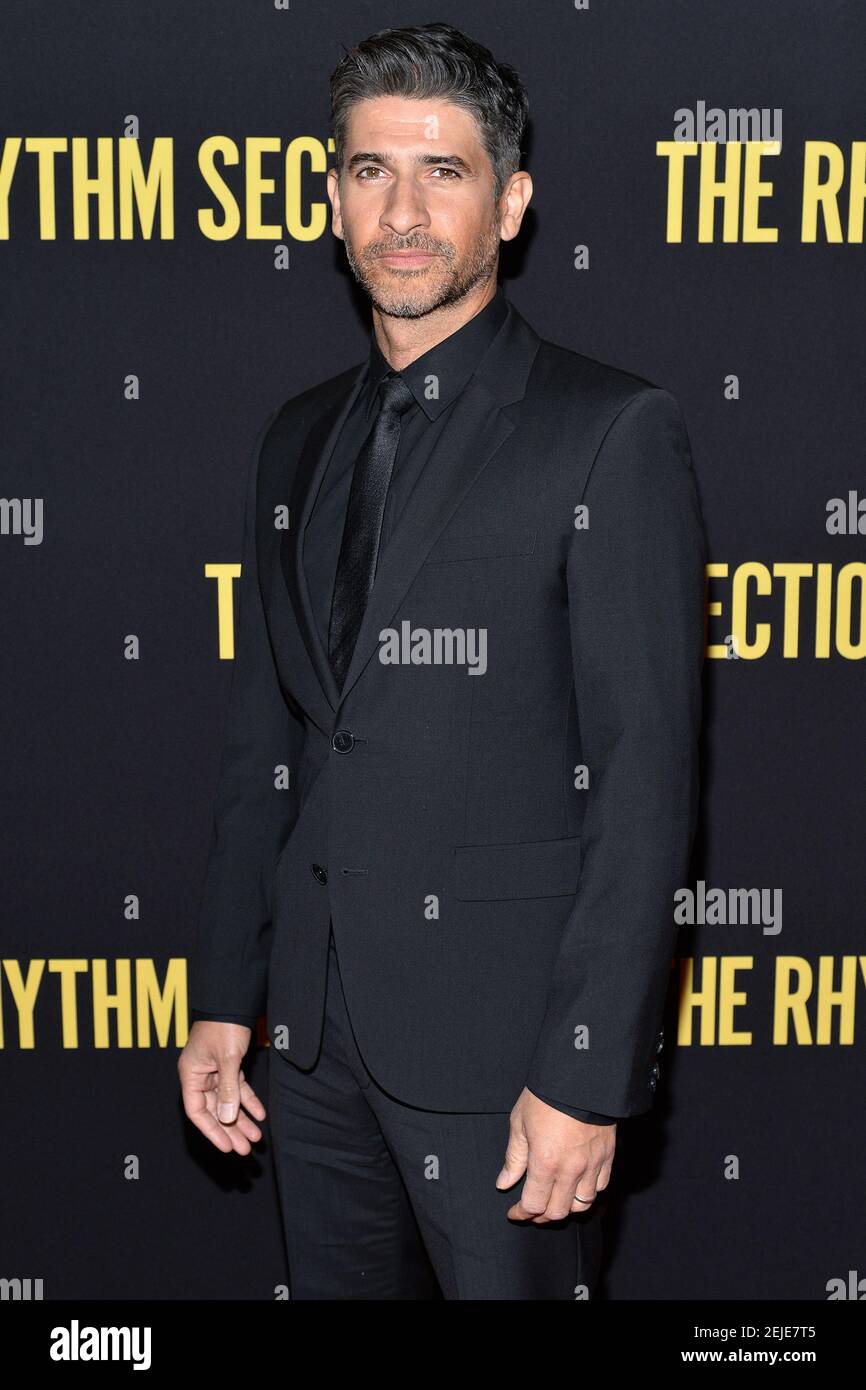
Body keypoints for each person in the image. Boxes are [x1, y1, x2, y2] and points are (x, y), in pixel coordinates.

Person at [178, 21, 706, 1300]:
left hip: (504, 1058)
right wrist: (225, 994)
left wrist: (583, 1071)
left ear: (511, 201)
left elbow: (642, 782)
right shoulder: (295, 438)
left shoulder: (606, 431)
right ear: (333, 197)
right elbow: (273, 741)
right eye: (369, 172)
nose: (402, 212)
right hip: (310, 1046)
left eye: (443, 172)